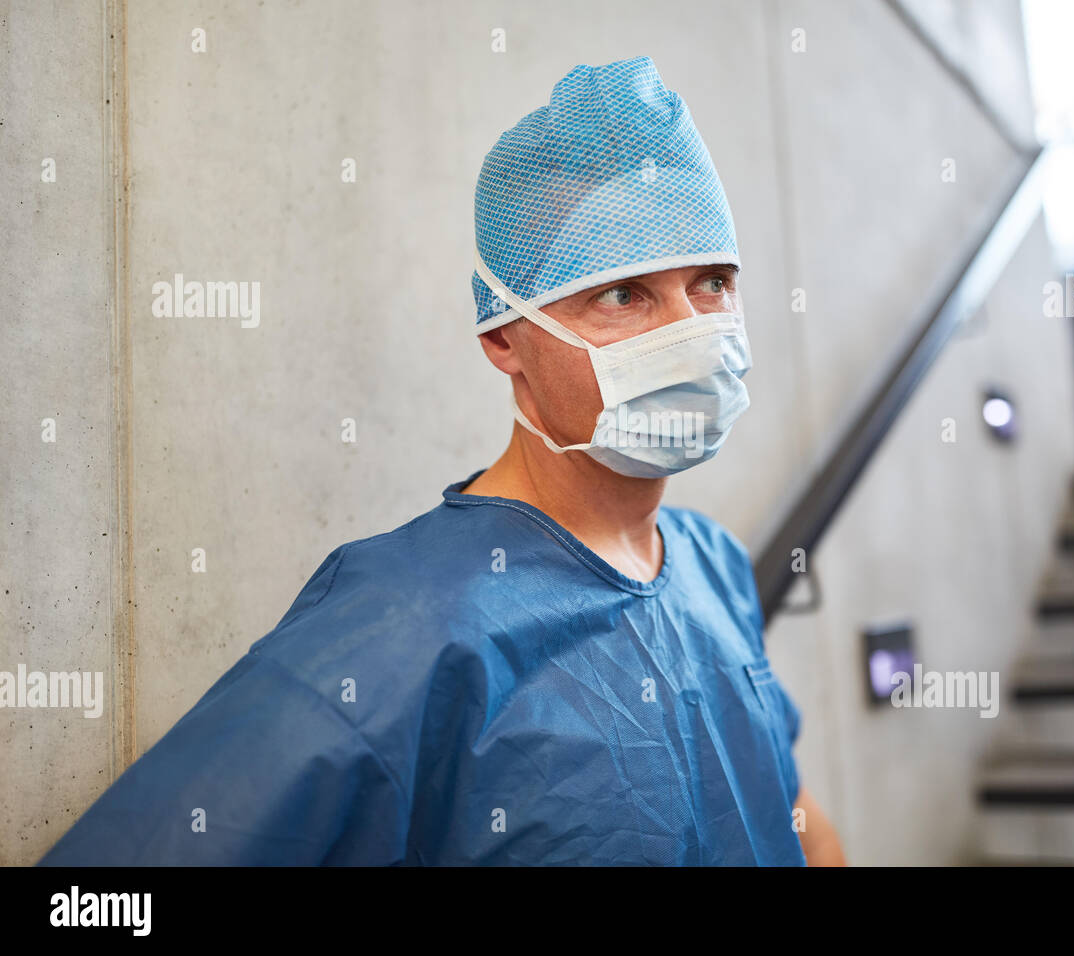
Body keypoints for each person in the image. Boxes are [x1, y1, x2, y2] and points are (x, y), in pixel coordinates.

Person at [38, 55, 845, 866]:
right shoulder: (408, 629)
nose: (688, 331)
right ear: (505, 336)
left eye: (711, 283)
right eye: (623, 294)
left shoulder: (713, 567)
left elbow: (791, 818)